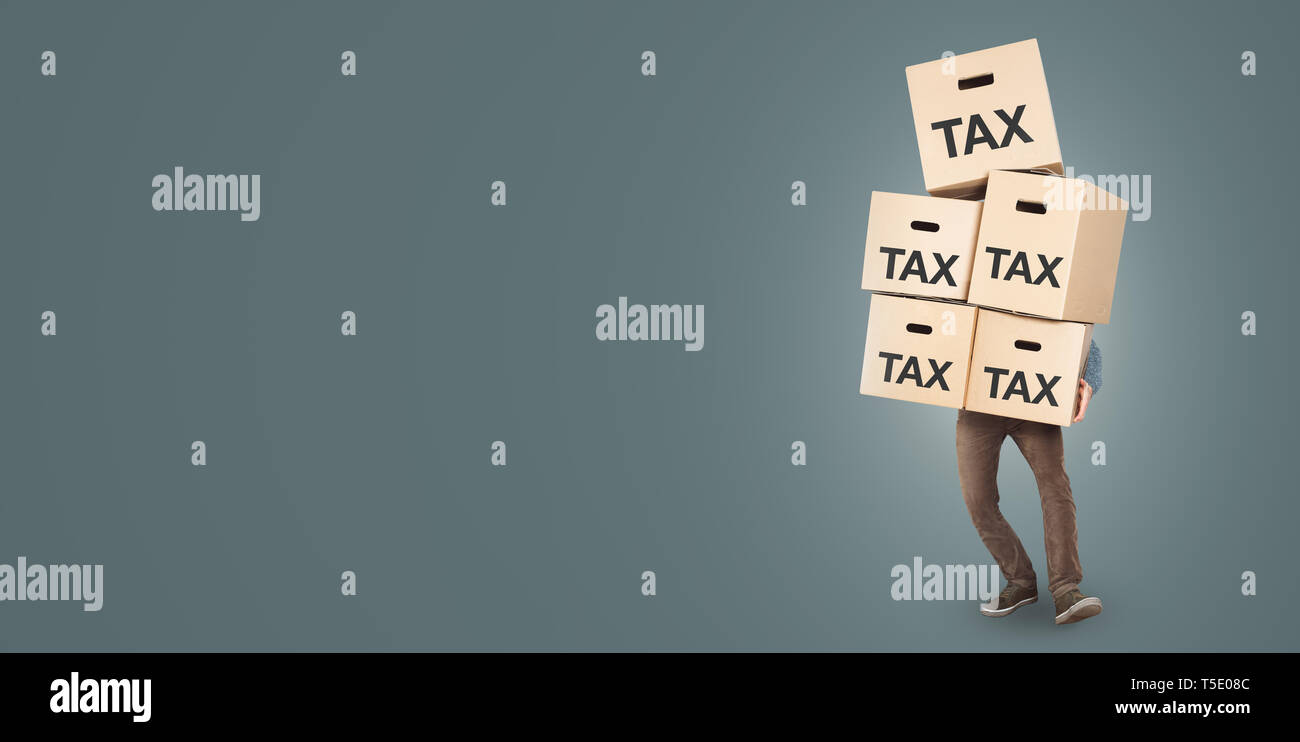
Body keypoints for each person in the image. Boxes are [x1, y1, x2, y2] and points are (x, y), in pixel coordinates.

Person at [957, 339, 1104, 625]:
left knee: (1055, 489)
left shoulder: (1038, 291)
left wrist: (1091, 383)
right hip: (977, 403)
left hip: (1033, 396)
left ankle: (1065, 589)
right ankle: (1021, 582)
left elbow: (1082, 335)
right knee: (977, 500)